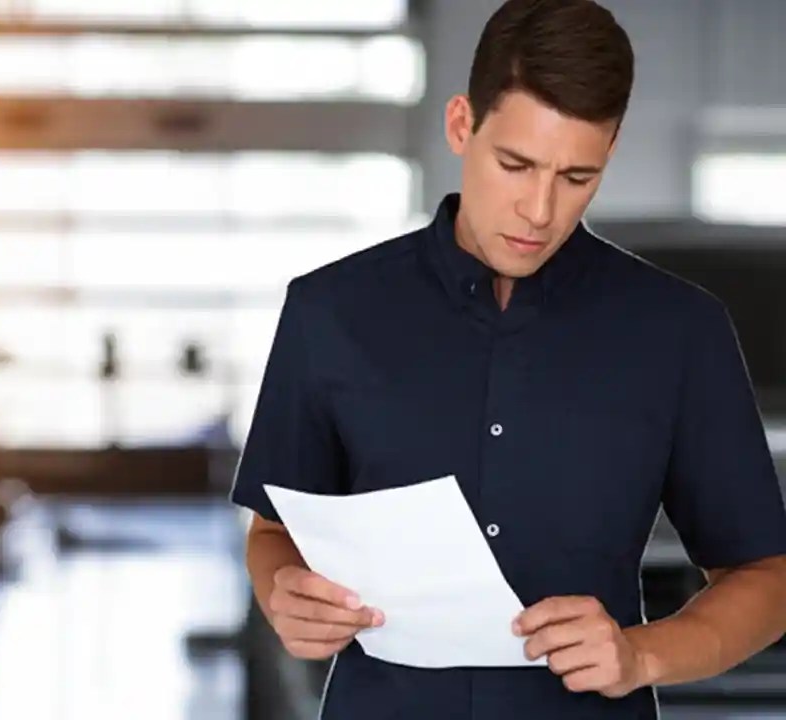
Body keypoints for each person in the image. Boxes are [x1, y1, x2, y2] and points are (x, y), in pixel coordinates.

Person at [227, 1, 786, 718]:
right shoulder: (328, 312)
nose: (540, 211)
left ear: (609, 153)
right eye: (515, 165)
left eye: (576, 176)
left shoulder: (679, 332)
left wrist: (643, 653)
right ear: (462, 125)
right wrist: (285, 593)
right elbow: (273, 532)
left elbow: (766, 578)